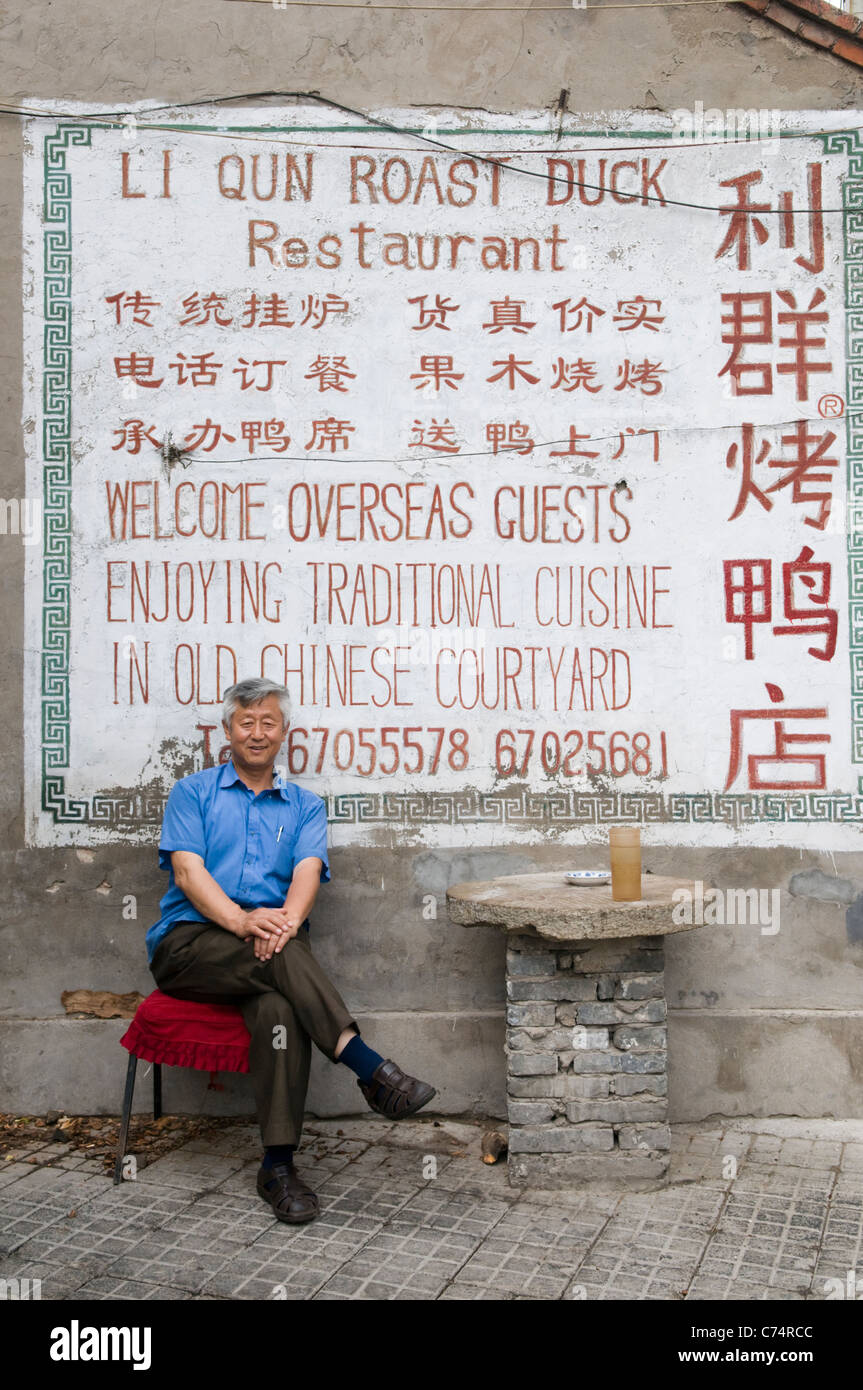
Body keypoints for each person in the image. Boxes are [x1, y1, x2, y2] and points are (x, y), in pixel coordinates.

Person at [145, 676, 436, 1224]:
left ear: (283, 733)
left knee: (281, 1012)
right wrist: (241, 920)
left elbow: (306, 875)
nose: (257, 733)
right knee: (283, 952)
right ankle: (370, 1068)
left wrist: (282, 925)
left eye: (268, 722)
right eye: (246, 722)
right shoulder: (193, 793)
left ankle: (277, 1167)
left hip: (270, 949)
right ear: (227, 730)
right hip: (190, 945)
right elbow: (187, 871)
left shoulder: (304, 806)